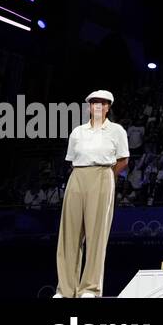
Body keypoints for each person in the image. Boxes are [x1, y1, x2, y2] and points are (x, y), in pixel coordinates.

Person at [55, 90, 129, 297]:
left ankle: (90, 288)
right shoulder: (78, 132)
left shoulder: (116, 131)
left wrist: (107, 177)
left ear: (108, 107)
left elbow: (123, 159)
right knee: (69, 234)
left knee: (96, 235)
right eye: (94, 103)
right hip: (78, 175)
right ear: (89, 107)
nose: (98, 106)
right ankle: (65, 289)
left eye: (102, 103)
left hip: (102, 174)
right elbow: (71, 160)